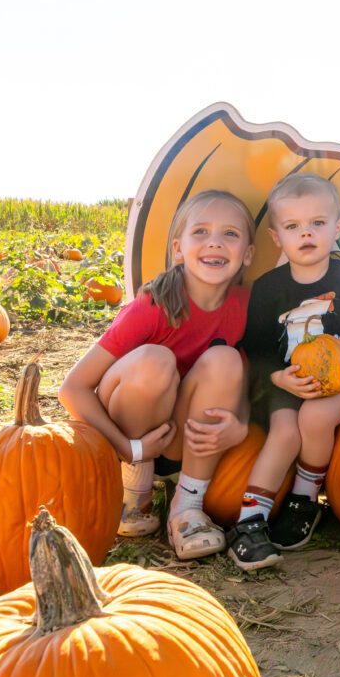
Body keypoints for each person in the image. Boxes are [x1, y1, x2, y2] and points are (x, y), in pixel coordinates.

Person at [59, 190, 255, 560]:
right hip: (132, 433)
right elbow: (74, 389)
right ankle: (134, 493)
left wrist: (240, 425)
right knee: (154, 360)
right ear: (178, 249)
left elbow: (246, 382)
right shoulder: (153, 305)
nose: (215, 240)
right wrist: (129, 448)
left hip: (183, 438)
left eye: (230, 233)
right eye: (202, 231)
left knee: (226, 360)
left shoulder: (245, 308)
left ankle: (187, 508)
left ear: (247, 254)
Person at [230, 172, 340, 571]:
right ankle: (249, 522)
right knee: (286, 431)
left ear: (336, 228)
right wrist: (275, 377)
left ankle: (305, 498)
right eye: (293, 226)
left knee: (316, 417)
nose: (306, 234)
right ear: (276, 238)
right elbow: (255, 344)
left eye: (317, 224)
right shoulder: (269, 289)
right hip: (286, 380)